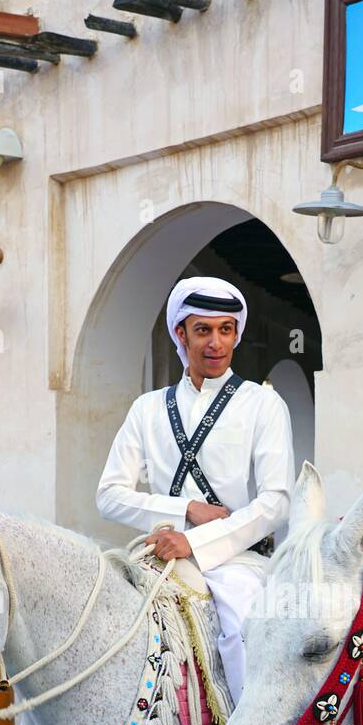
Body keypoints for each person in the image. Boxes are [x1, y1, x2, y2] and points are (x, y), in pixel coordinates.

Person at [96, 275, 295, 702]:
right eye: (203, 330)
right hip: (155, 556)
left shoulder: (263, 405)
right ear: (180, 334)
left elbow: (276, 502)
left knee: (244, 630)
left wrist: (195, 541)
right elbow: (109, 495)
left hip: (236, 562)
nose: (215, 343)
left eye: (226, 330)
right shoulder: (147, 409)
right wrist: (186, 508)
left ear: (237, 335)